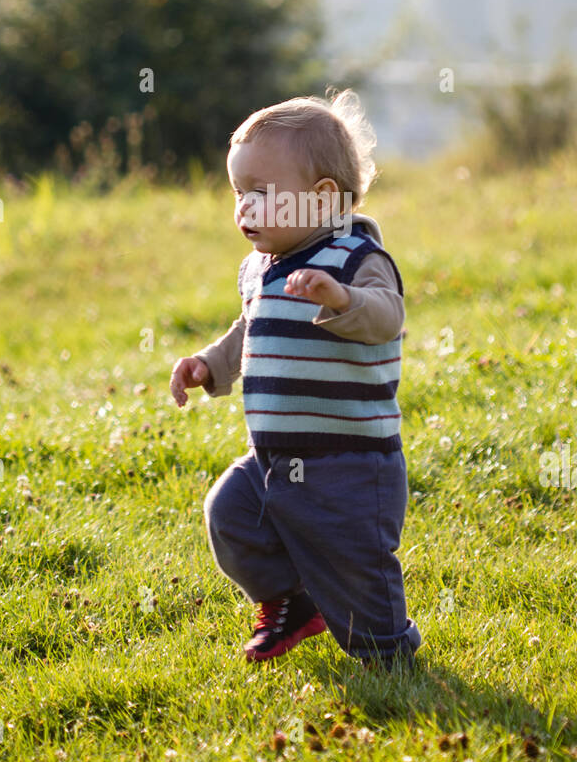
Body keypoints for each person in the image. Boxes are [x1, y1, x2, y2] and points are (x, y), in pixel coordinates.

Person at [169, 88, 421, 672]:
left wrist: (342, 299)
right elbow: (250, 329)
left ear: (323, 198)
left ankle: (389, 652)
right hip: (273, 457)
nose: (244, 209)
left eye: (260, 193)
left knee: (355, 562)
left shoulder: (356, 258)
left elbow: (387, 316)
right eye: (238, 193)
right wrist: (211, 364)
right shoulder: (259, 267)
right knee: (229, 515)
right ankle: (290, 601)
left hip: (350, 462)